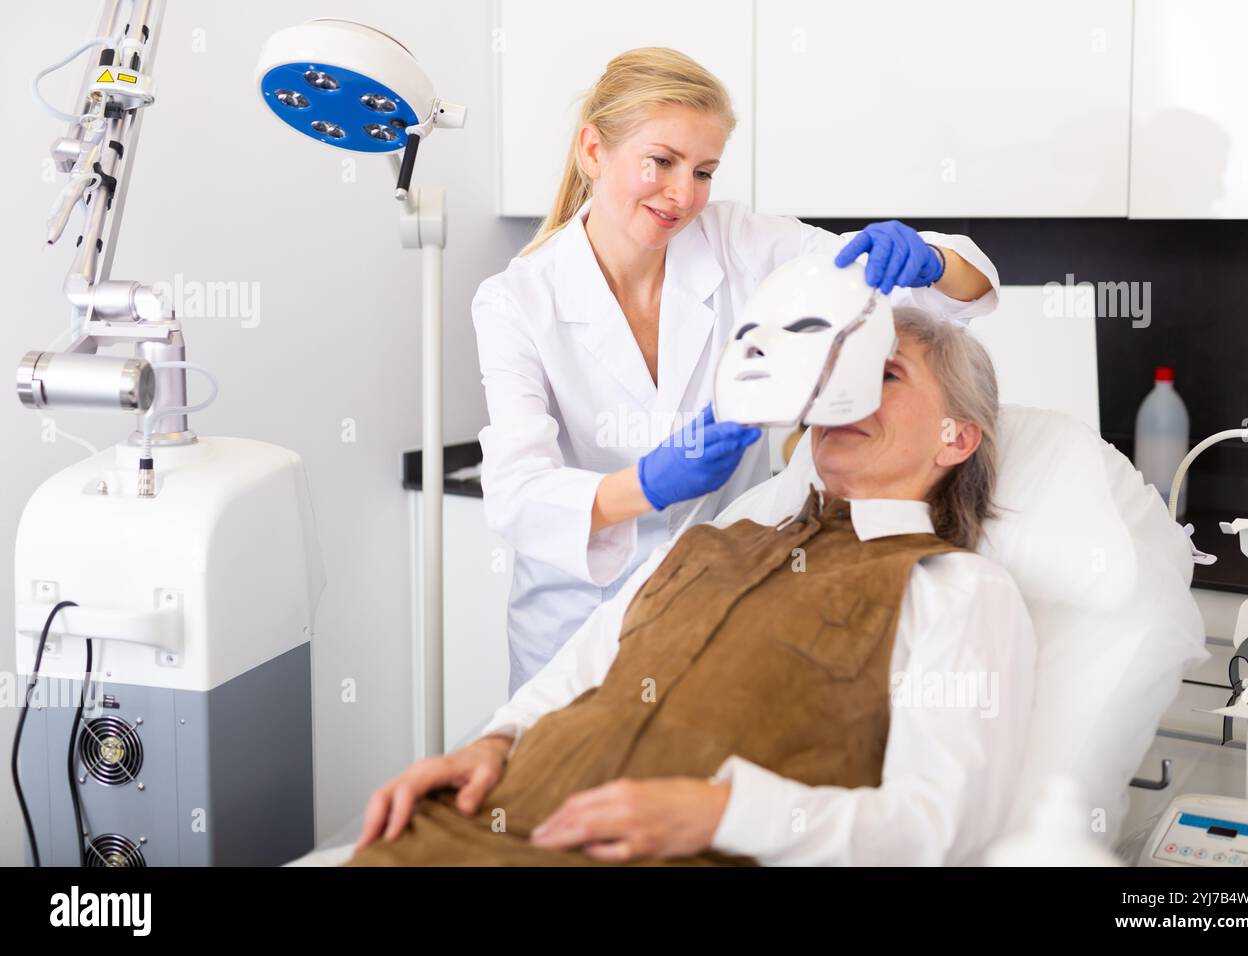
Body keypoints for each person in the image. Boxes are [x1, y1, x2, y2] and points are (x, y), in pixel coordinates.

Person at [347, 308, 1035, 866]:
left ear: (956, 439)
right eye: (838, 374)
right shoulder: (707, 543)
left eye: (885, 374)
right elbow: (576, 672)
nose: (844, 393)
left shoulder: (957, 590)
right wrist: (489, 746)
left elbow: (942, 825)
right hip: (472, 825)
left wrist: (722, 812)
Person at [473, 47, 1002, 690]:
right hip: (573, 625)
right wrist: (649, 485)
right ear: (593, 150)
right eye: (662, 162)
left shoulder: (737, 241)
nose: (683, 194)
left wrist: (931, 260)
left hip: (716, 603)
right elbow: (516, 494)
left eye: (703, 172)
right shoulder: (515, 300)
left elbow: (936, 298)